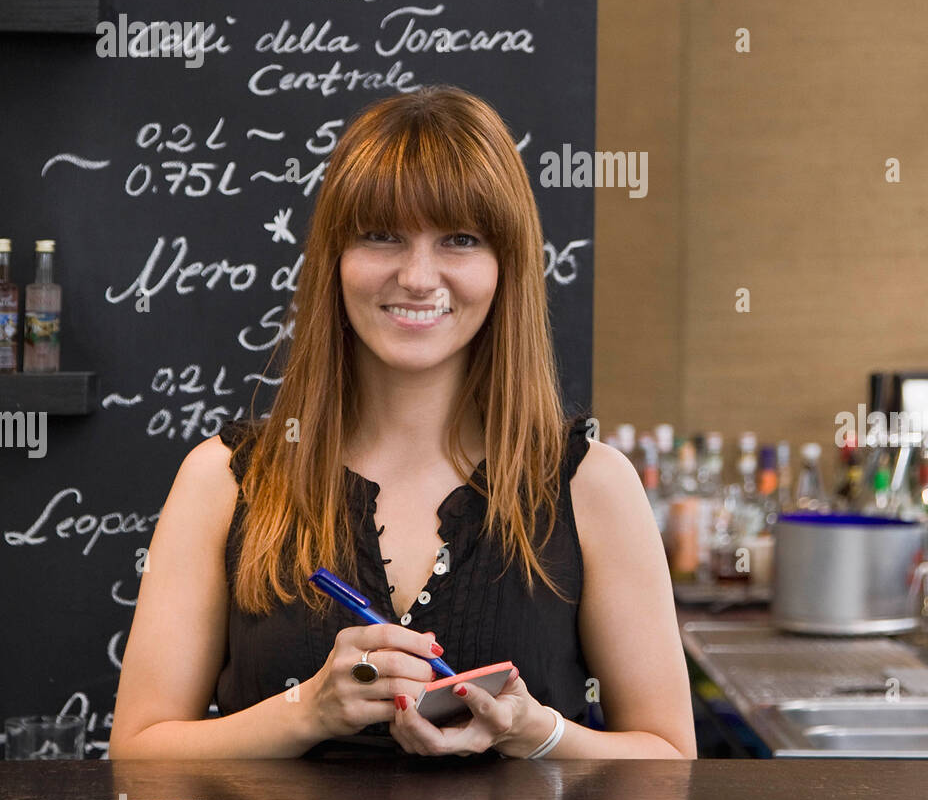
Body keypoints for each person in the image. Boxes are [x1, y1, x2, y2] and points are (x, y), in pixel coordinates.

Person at [110, 86, 695, 759]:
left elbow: (671, 763)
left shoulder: (593, 485)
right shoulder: (224, 480)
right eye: (382, 235)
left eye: (460, 239)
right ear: (335, 259)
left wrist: (540, 733)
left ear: (507, 267)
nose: (418, 276)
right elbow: (137, 756)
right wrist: (307, 711)